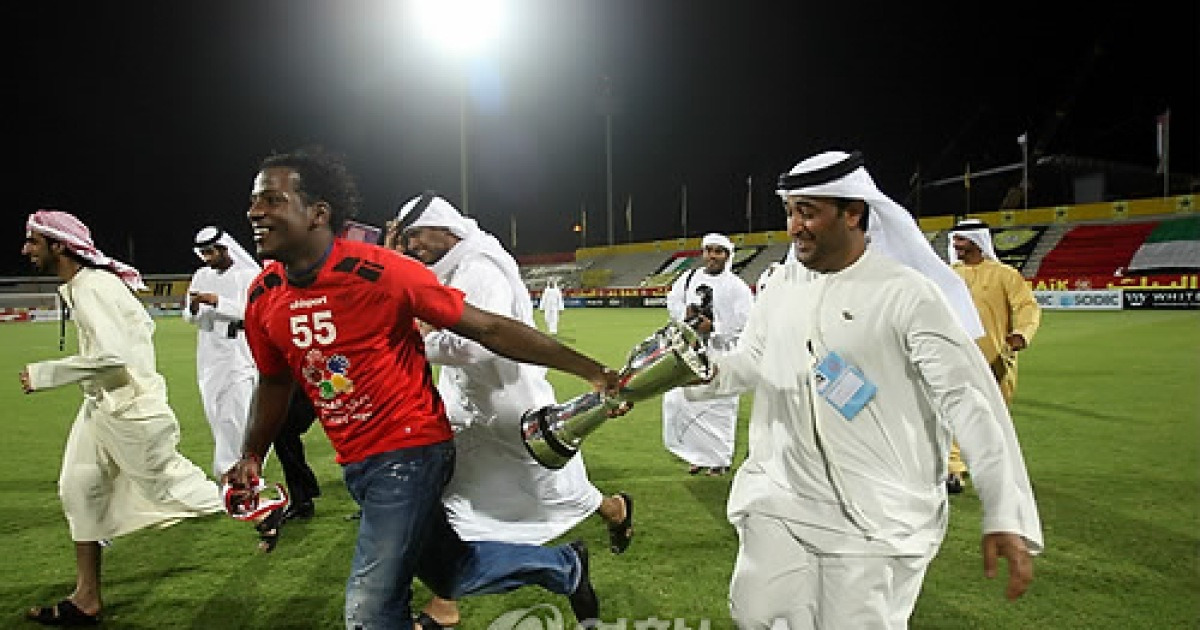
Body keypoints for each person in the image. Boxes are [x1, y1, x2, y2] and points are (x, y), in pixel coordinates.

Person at [226, 146, 622, 629]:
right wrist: (251, 454)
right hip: (356, 459)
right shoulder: (263, 294)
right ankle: (565, 567)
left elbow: (489, 329)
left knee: (370, 610)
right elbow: (274, 379)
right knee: (452, 570)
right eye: (254, 200)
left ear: (317, 213)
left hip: (410, 451)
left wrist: (591, 370)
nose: (254, 212)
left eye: (271, 200)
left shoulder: (381, 273)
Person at [699, 151, 1041, 629]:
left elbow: (970, 401)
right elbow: (751, 362)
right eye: (791, 211)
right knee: (755, 612)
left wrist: (1005, 510)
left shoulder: (906, 293)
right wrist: (694, 371)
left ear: (853, 212)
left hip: (878, 513)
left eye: (809, 212)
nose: (795, 226)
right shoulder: (780, 285)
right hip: (781, 492)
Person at [385, 192, 634, 630]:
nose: (412, 245)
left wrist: (416, 341)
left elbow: (480, 344)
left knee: (554, 493)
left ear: (446, 229)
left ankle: (611, 513)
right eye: (406, 238)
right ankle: (445, 603)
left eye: (417, 235)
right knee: (450, 504)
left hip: (508, 406)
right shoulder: (451, 269)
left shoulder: (479, 269)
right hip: (466, 407)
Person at [19, 210, 224, 626]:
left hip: (129, 411)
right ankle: (86, 599)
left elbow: (112, 356)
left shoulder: (92, 287)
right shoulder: (90, 285)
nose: (25, 250)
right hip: (102, 406)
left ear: (58, 245)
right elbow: (141, 327)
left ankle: (260, 504)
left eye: (32, 242)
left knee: (174, 489)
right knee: (79, 486)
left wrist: (45, 373)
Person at [945, 218, 1042, 493]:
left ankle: (994, 470)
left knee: (992, 418)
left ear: (977, 241)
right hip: (958, 355)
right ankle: (953, 471)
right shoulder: (949, 275)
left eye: (961, 240)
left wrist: (1022, 334)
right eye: (955, 241)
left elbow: (1027, 306)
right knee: (953, 413)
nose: (956, 246)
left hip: (997, 358)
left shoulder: (1005, 274)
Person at [661, 233, 753, 476]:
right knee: (684, 401)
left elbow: (747, 325)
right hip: (690, 352)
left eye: (718, 251)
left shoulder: (737, 288)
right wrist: (687, 316)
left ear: (727, 256)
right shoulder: (688, 277)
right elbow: (673, 303)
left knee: (718, 407)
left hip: (720, 354)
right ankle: (698, 456)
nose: (711, 256)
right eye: (708, 250)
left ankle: (719, 460)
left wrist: (714, 328)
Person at [183, 226, 262, 478]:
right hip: (208, 354)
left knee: (235, 416)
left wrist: (217, 301)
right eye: (203, 253)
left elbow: (254, 313)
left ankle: (230, 472)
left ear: (224, 248)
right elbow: (188, 316)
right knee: (216, 415)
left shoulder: (250, 274)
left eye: (210, 252)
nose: (207, 258)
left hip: (239, 352)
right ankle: (234, 470)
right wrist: (195, 308)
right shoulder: (200, 275)